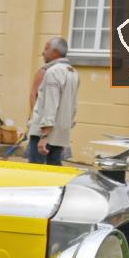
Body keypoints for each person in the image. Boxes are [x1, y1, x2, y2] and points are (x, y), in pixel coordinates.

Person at [27, 37, 79, 166]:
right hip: (61, 132)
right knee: (54, 170)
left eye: (46, 49)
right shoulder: (73, 73)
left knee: (35, 171)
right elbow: (73, 106)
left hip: (44, 131)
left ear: (55, 52)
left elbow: (51, 104)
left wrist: (44, 136)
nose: (43, 52)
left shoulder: (52, 72)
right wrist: (65, 131)